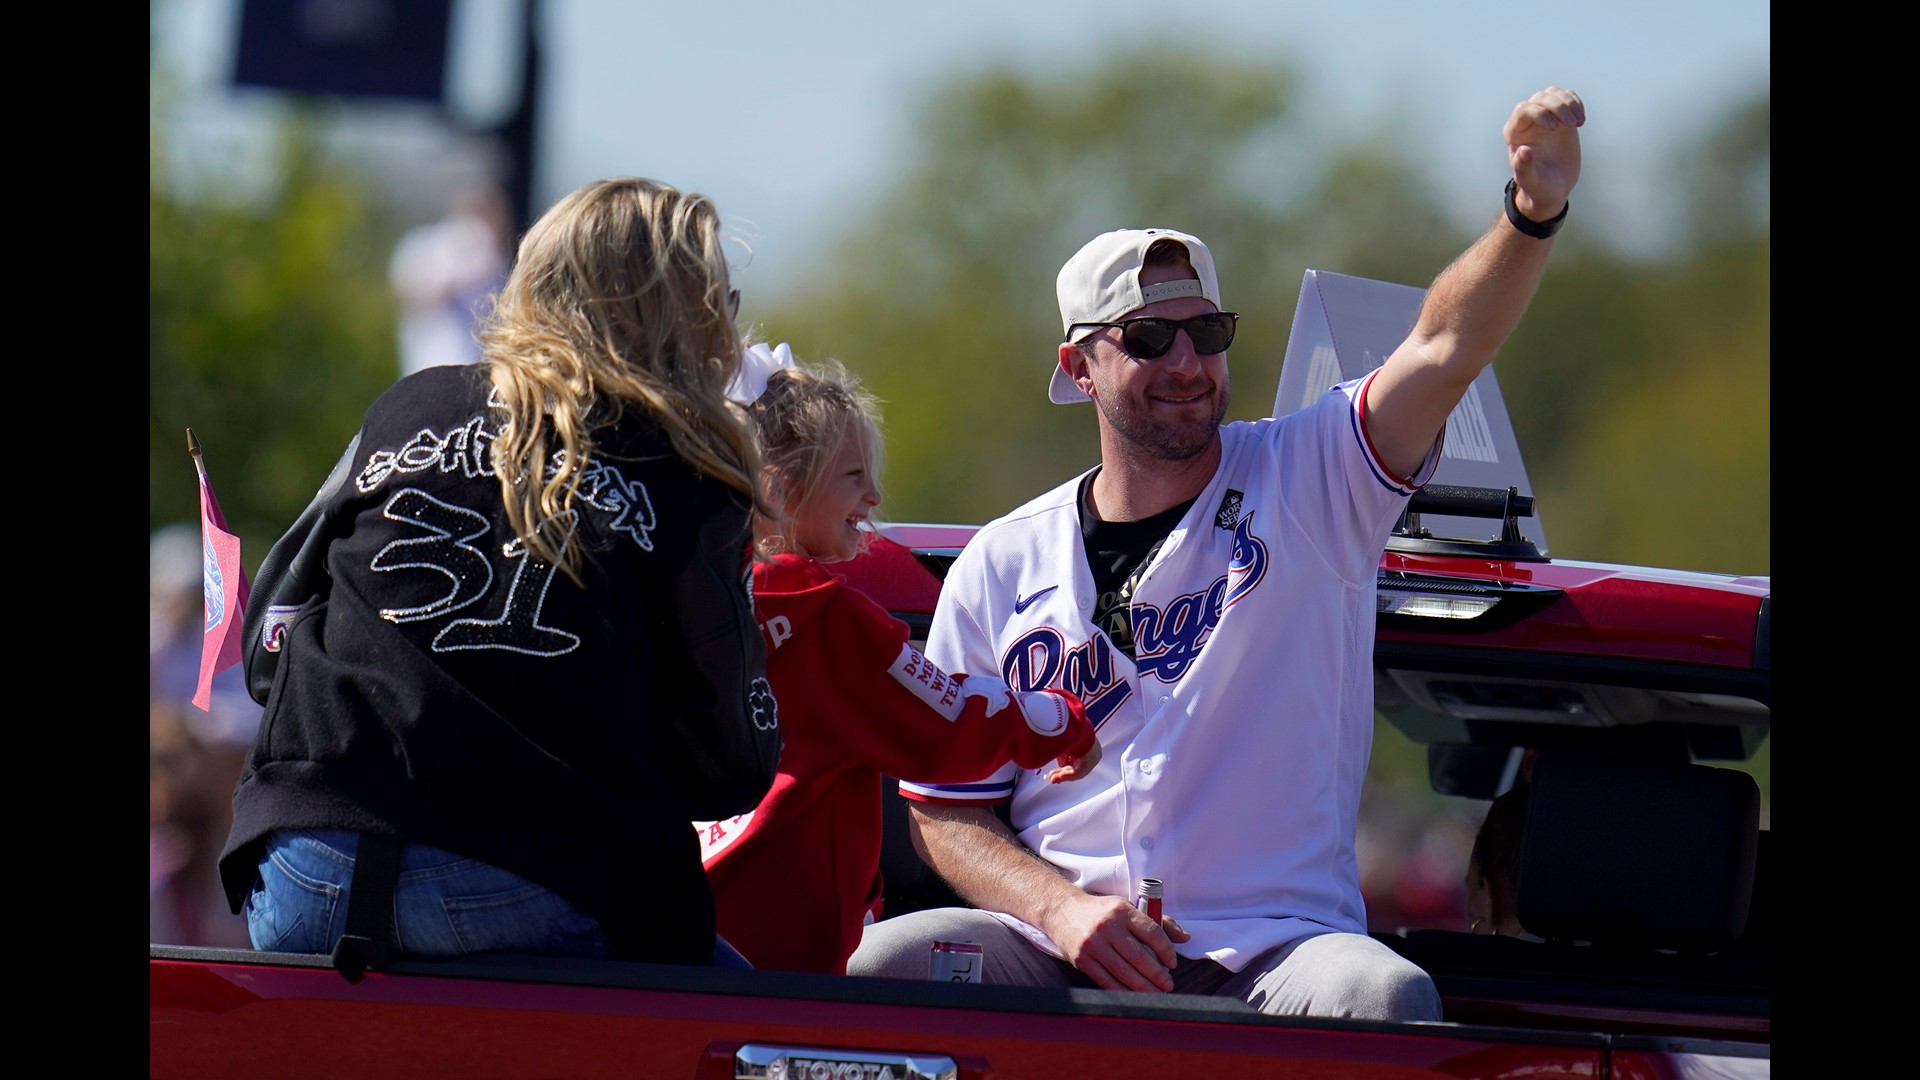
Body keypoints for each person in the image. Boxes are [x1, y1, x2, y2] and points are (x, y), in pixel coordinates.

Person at [846, 87, 1585, 1021]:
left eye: (1208, 332)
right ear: (1079, 367)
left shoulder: (1311, 476)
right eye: (1150, 338)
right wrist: (1058, 908)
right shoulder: (1001, 561)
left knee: (1385, 993)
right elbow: (945, 807)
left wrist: (1530, 215)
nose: (1188, 362)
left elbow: (1441, 348)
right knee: (878, 969)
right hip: (1055, 950)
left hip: (1276, 949)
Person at [217, 177, 782, 970]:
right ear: (681, 316)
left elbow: (267, 643)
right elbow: (731, 769)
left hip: (305, 874)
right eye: (720, 297)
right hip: (535, 884)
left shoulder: (407, 406)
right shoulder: (691, 478)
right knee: (757, 1023)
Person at [697, 343, 1102, 974]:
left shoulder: (700, 599)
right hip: (780, 958)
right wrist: (1058, 719)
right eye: (853, 475)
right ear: (780, 487)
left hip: (689, 923)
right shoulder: (828, 619)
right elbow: (948, 724)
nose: (876, 495)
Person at [389, 180, 513, 379]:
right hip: (426, 367)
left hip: (476, 373)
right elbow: (404, 294)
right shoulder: (423, 246)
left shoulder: (495, 262)